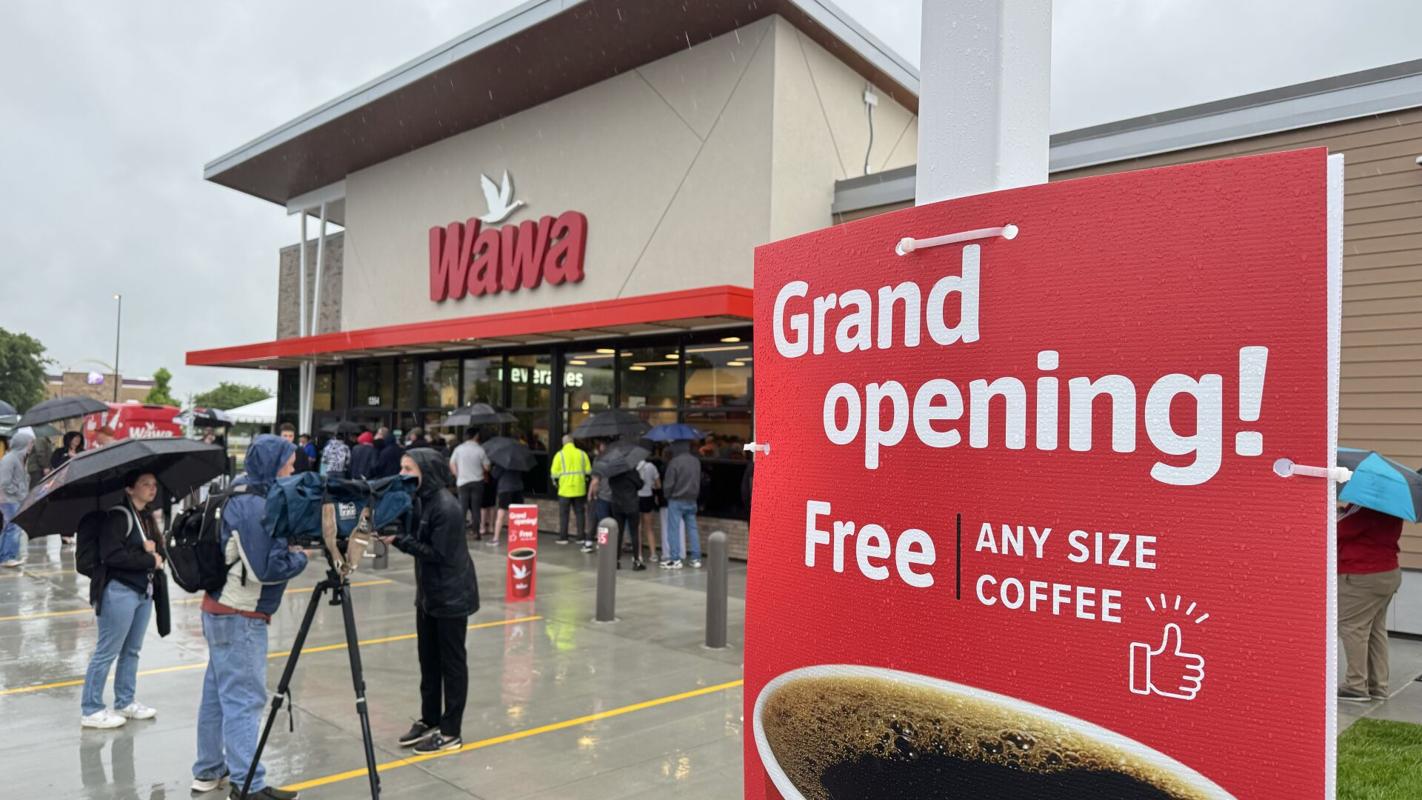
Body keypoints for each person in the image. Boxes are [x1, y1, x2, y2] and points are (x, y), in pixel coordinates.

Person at [190, 435, 307, 800]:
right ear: (273, 464)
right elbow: (265, 569)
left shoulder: (236, 492)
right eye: (288, 462)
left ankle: (209, 771)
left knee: (217, 695)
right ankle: (248, 785)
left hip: (220, 609)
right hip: (240, 614)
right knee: (244, 698)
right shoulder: (255, 506)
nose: (292, 468)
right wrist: (299, 556)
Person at [381, 448, 479, 754]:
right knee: (428, 660)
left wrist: (397, 541)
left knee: (452, 663)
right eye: (401, 467)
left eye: (409, 468)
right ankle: (430, 718)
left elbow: (436, 553)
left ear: (427, 470)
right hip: (428, 595)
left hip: (451, 596)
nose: (403, 473)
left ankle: (451, 731)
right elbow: (409, 532)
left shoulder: (447, 508)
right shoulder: (418, 500)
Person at [80, 471, 167, 729]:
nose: (152, 489)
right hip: (120, 591)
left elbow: (157, 553)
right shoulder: (118, 516)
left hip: (143, 591)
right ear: (130, 489)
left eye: (154, 484)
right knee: (107, 651)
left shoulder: (146, 517)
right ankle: (91, 708)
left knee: (132, 650)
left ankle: (125, 701)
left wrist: (154, 552)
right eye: (145, 484)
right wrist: (148, 558)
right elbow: (112, 556)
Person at [1338, 503, 1404, 702]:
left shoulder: (1367, 503)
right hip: (1387, 571)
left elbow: (1340, 529)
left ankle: (1355, 686)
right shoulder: (1393, 505)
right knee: (1376, 630)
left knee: (1352, 627)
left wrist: (1337, 513)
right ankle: (1378, 686)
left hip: (1363, 574)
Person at [662, 441, 703, 569]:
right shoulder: (696, 461)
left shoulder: (674, 462)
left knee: (673, 529)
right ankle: (696, 558)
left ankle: (675, 559)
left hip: (676, 499)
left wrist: (667, 495)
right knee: (692, 529)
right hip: (692, 499)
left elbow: (669, 484)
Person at [0, 427, 35, 567]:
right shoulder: (11, 458)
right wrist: (19, 493)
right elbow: (4, 482)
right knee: (14, 528)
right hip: (9, 500)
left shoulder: (19, 458)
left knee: (10, 528)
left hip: (14, 499)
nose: (32, 446)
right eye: (30, 443)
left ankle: (5, 556)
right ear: (24, 443)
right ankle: (8, 556)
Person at [450, 428, 491, 538]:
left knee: (462, 508)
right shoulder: (480, 450)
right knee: (475, 508)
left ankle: (460, 533)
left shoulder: (459, 449)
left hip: (462, 482)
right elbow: (487, 467)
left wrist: (457, 475)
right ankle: (476, 532)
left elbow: (452, 464)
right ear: (476, 436)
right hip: (477, 482)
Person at [550, 435, 590, 545]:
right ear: (573, 442)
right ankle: (581, 537)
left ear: (564, 443)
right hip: (579, 489)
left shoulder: (559, 455)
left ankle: (563, 538)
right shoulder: (582, 454)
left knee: (564, 514)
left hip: (564, 490)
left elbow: (554, 474)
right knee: (580, 513)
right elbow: (588, 472)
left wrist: (556, 484)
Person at [582, 440, 611, 553]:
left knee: (595, 519)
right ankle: (605, 543)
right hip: (612, 495)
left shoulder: (598, 461)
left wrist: (590, 494)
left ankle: (592, 542)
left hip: (601, 494)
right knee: (608, 521)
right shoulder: (616, 460)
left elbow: (595, 481)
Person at [490, 458, 526, 547]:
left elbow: (494, 475)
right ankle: (519, 538)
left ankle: (496, 539)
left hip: (505, 489)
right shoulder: (519, 462)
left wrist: (493, 468)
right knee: (518, 515)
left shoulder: (501, 462)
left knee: (501, 514)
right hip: (518, 489)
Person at [637, 454, 662, 566]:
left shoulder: (632, 466)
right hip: (648, 497)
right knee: (649, 528)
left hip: (636, 498)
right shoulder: (651, 466)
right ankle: (653, 554)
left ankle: (639, 554)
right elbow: (658, 485)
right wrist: (651, 485)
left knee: (637, 528)